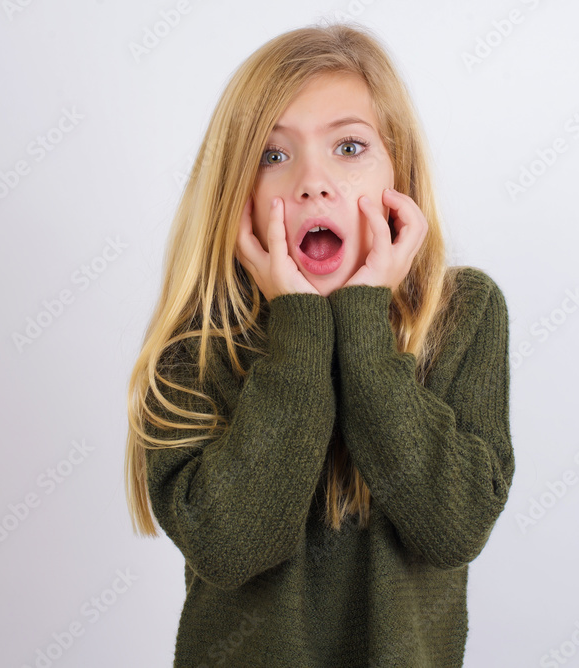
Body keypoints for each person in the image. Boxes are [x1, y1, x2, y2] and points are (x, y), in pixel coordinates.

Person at [125, 22, 514, 668]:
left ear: (400, 175)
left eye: (350, 147)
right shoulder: (195, 344)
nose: (313, 182)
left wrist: (362, 326)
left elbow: (455, 527)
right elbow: (228, 548)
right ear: (236, 197)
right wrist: (299, 330)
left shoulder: (463, 314)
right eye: (272, 156)